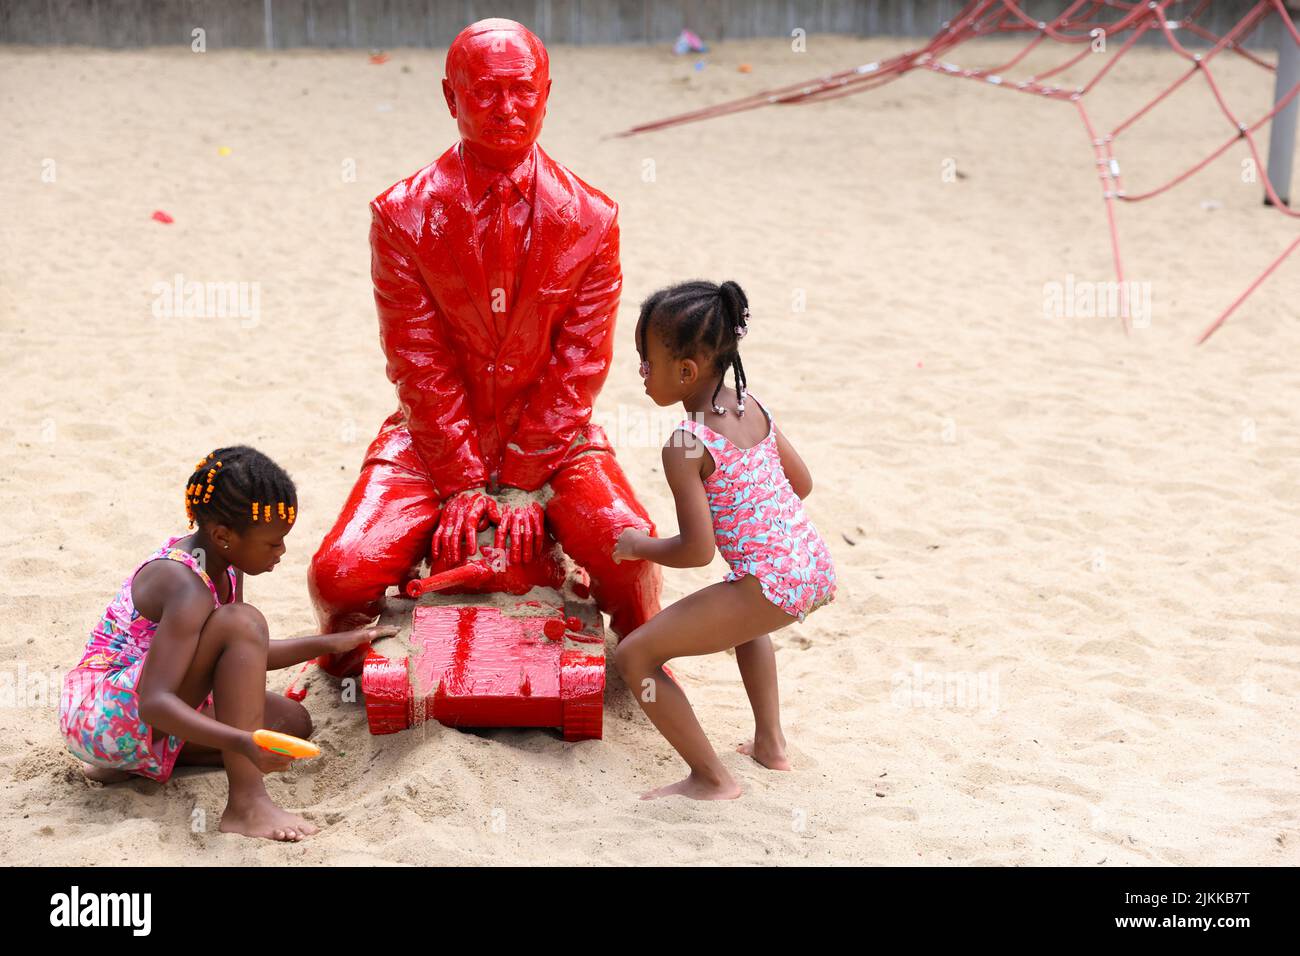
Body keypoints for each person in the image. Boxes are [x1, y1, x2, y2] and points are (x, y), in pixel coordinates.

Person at [308, 18, 661, 676]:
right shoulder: (403, 216)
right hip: (431, 435)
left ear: (547, 92)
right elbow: (417, 361)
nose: (508, 108)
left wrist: (524, 484)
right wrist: (465, 481)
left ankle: (643, 668)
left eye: (523, 90)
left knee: (632, 555)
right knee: (339, 576)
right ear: (451, 97)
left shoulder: (591, 219)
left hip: (555, 441)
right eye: (486, 91)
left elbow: (578, 369)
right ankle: (359, 674)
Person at [58, 446, 396, 841]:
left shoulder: (224, 563)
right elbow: (155, 701)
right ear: (223, 535)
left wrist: (336, 642)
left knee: (291, 724)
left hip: (133, 717)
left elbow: (244, 655)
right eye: (272, 543)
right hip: (103, 714)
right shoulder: (185, 585)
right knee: (244, 623)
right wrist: (242, 741)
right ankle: (247, 804)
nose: (282, 552)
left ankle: (131, 764)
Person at [612, 281, 837, 800]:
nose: (641, 373)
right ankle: (770, 744)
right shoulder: (751, 405)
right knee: (745, 617)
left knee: (635, 657)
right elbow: (800, 484)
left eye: (646, 362)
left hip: (770, 582)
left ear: (686, 371)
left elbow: (697, 551)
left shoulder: (685, 444)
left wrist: (638, 545)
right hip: (813, 567)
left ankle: (711, 779)